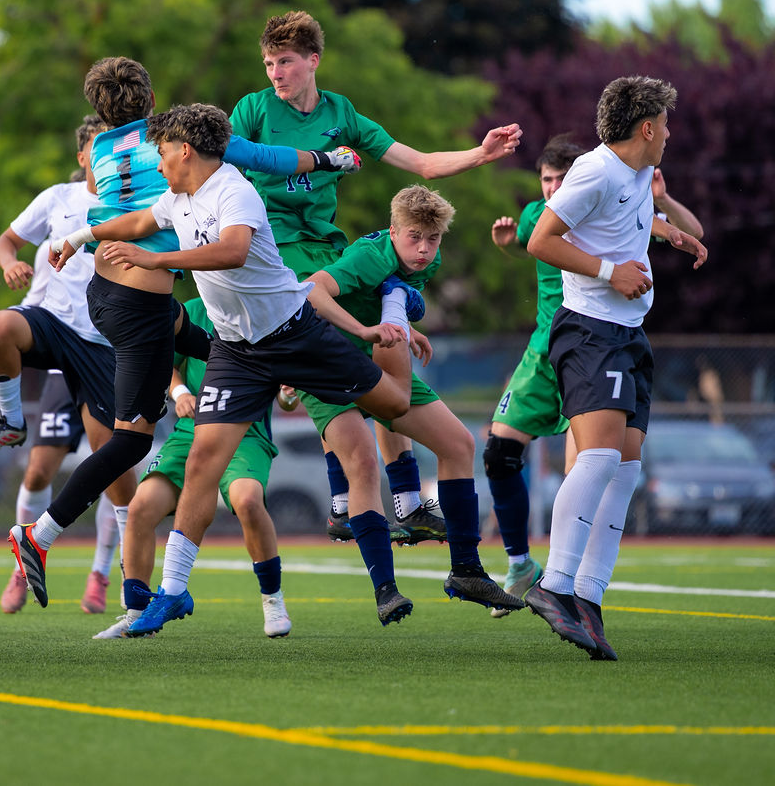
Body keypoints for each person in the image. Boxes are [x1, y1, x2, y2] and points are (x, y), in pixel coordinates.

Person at [8, 57, 360, 609]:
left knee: (221, 346)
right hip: (138, 306)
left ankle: (132, 590)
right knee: (131, 440)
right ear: (151, 102)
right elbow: (259, 157)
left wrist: (78, 235)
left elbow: (117, 198)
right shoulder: (172, 146)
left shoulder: (101, 151)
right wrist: (327, 158)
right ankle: (41, 533)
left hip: (107, 295)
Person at [84, 102, 413, 637]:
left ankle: (396, 303)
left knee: (396, 407)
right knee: (201, 465)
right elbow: (142, 221)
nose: (158, 162)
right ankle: (170, 593)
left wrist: (155, 260)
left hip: (294, 334)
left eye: (161, 152)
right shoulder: (178, 197)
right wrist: (80, 238)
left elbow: (233, 252)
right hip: (236, 351)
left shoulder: (234, 190)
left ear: (184, 149)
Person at [229, 11, 522, 543]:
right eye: (269, 62)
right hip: (271, 250)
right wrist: (318, 160)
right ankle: (344, 469)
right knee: (343, 339)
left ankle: (401, 500)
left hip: (324, 244)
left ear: (313, 60)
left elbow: (424, 163)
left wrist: (481, 154)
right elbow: (232, 152)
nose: (276, 72)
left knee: (387, 350)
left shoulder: (343, 113)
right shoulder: (252, 108)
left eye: (286, 62)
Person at [523, 77, 707, 661]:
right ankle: (552, 587)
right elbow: (540, 239)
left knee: (625, 472)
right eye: (667, 123)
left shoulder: (633, 175)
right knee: (599, 459)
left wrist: (668, 232)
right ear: (646, 127)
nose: (672, 133)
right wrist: (609, 272)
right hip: (589, 332)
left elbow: (625, 219)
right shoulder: (596, 170)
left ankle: (589, 595)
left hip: (629, 335)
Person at [484, 138, 705, 615]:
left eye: (561, 180)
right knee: (500, 452)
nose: (553, 188)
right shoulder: (536, 214)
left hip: (595, 341)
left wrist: (666, 216)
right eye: (545, 181)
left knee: (593, 466)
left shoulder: (607, 193)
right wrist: (508, 247)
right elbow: (537, 240)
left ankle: (575, 586)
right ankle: (527, 565)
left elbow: (680, 229)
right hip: (550, 350)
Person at [301, 185, 524, 625]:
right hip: (325, 363)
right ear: (393, 231)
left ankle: (466, 570)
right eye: (414, 237)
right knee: (362, 463)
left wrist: (402, 323)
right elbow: (312, 291)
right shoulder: (370, 256)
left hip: (376, 362)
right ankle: (386, 589)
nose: (424, 249)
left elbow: (393, 300)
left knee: (459, 445)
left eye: (433, 238)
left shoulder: (428, 259)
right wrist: (364, 331)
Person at [0, 116, 133, 615]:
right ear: (83, 155)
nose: (107, 156)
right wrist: (8, 264)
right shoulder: (56, 199)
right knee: (0, 328)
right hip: (54, 336)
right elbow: (6, 242)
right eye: (97, 148)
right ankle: (10, 425)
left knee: (115, 470)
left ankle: (114, 576)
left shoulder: (133, 199)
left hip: (103, 348)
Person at [94, 297, 292, 640]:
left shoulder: (267, 306)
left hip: (247, 433)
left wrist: (289, 396)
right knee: (141, 507)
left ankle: (272, 599)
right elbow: (165, 363)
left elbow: (288, 395)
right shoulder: (193, 309)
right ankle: (136, 612)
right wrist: (181, 390)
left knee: (247, 500)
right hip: (191, 432)